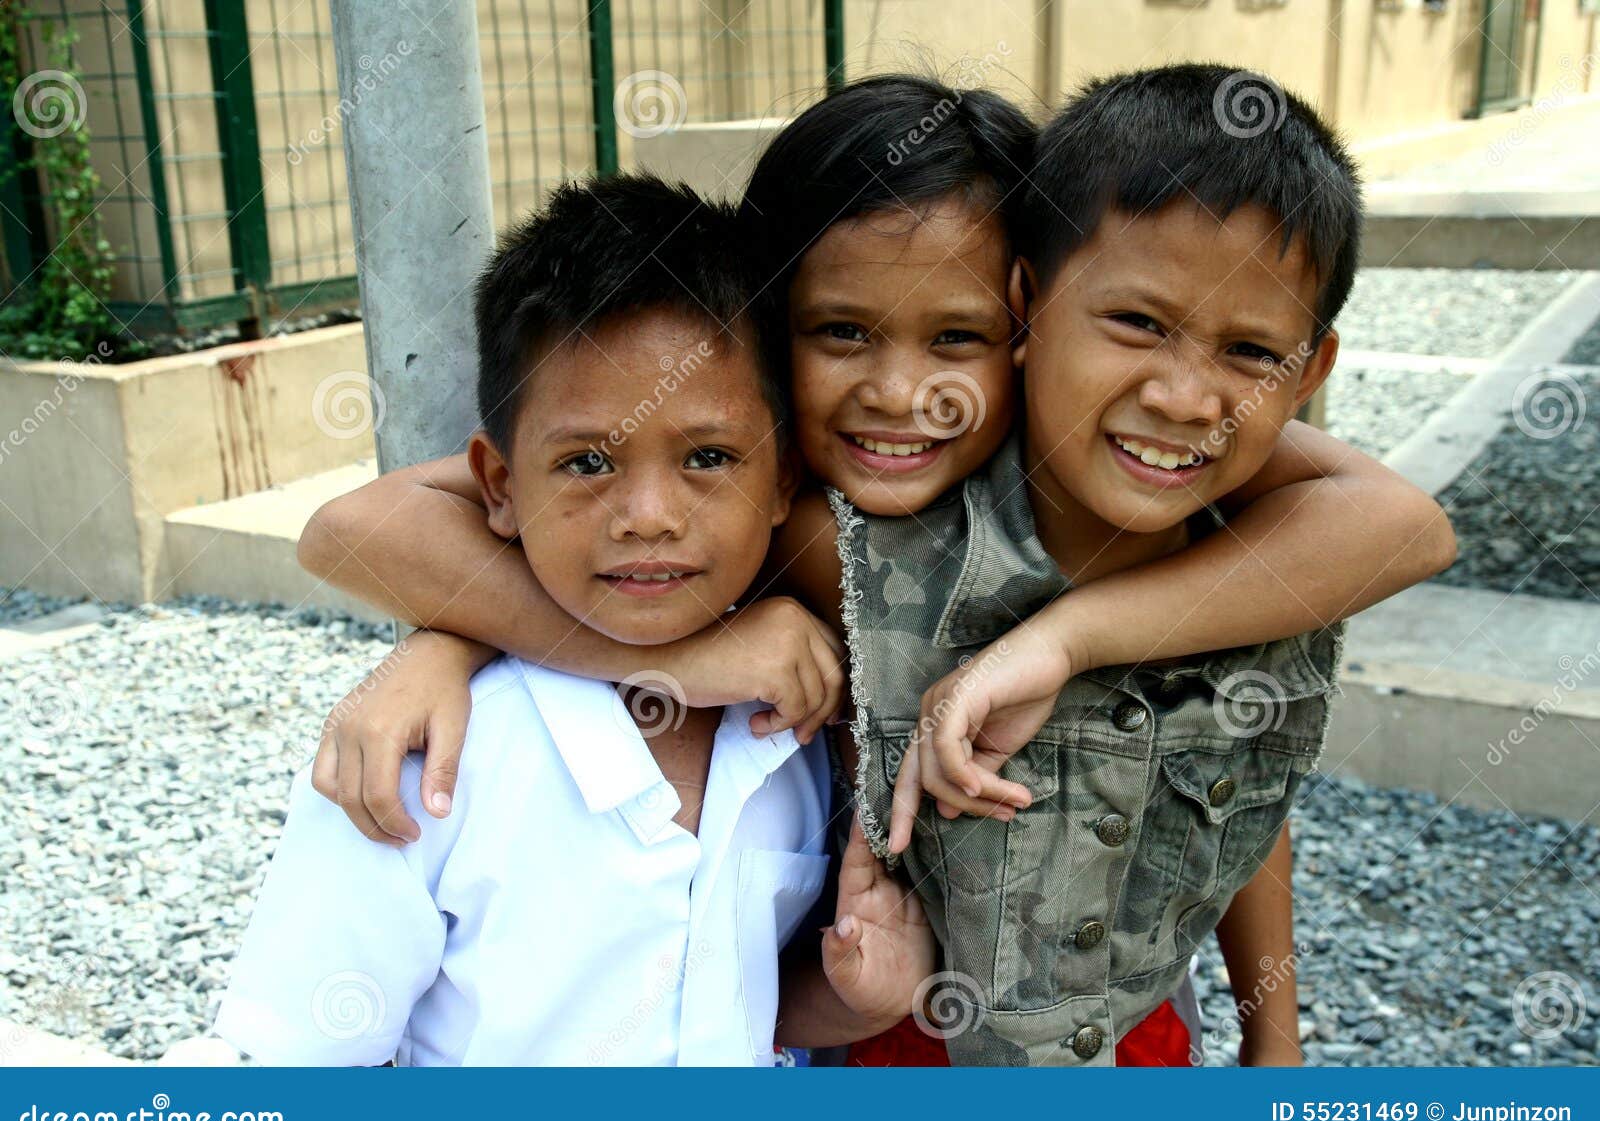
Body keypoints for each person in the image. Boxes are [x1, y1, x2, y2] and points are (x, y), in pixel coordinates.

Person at [294, 72, 1455, 1065]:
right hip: (863, 1023)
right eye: (839, 331)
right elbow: (388, 526)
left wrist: (1275, 1031)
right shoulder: (777, 523)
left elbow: (1252, 747)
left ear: (1020, 322)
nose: (901, 396)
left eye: (953, 338)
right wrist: (459, 637)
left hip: (1121, 1027)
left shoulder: (1146, 484)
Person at [213, 175, 933, 1066]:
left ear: (785, 480)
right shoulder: (432, 757)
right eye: (588, 460)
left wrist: (856, 1003)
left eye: (709, 457)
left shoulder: (795, 733)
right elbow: (276, 1068)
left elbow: (731, 1011)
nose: (648, 514)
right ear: (499, 486)